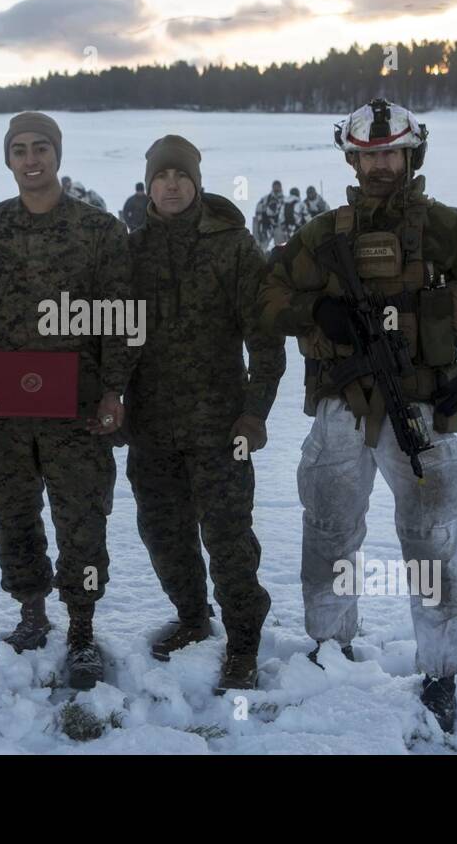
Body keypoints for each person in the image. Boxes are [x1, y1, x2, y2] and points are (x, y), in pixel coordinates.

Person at [257, 98, 457, 733]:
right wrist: (314, 315)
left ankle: (441, 675)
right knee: (329, 529)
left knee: (432, 541)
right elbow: (266, 293)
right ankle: (330, 650)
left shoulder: (447, 229)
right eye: (367, 154)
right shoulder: (324, 235)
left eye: (390, 152)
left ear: (410, 155)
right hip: (341, 406)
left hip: (423, 411)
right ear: (352, 159)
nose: (379, 164)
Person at [0, 112, 139, 690]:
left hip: (77, 406)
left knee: (82, 516)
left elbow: (121, 318)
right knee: (9, 508)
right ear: (8, 159)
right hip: (7, 404)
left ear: (58, 154)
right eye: (19, 150)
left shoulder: (98, 230)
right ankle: (31, 614)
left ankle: (81, 628)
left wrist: (114, 389)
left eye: (41, 148)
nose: (31, 160)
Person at [125, 135, 285, 692]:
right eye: (161, 176)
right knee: (163, 533)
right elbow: (111, 337)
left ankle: (243, 640)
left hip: (220, 428)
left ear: (196, 181)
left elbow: (265, 342)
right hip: (150, 427)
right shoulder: (132, 250)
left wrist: (254, 414)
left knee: (229, 539)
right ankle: (193, 618)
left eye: (181, 175)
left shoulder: (234, 248)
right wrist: (111, 402)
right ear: (148, 185)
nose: (171, 185)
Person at [252, 180, 284, 251]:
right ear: (272, 187)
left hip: (279, 226)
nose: (276, 188)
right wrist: (261, 220)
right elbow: (258, 210)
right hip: (266, 226)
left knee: (281, 247)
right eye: (275, 186)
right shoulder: (265, 199)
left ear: (280, 187)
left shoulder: (284, 200)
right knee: (262, 247)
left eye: (278, 186)